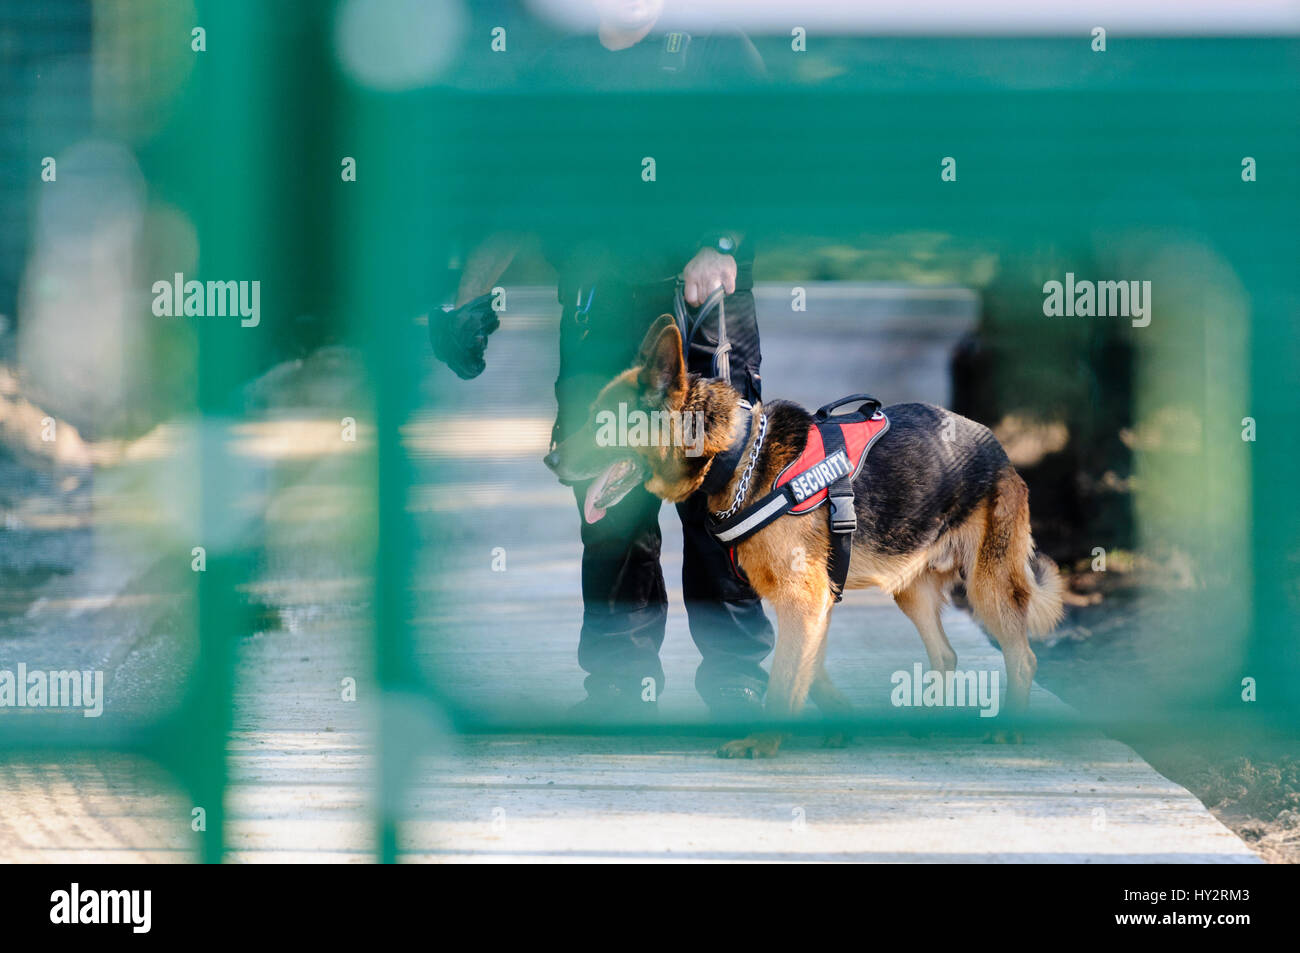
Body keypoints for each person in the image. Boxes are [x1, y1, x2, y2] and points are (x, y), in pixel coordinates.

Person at [430, 0, 773, 719]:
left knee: (718, 497)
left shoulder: (712, 45)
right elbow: (514, 192)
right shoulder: (558, 61)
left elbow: (767, 150)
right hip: (596, 312)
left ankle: (739, 682)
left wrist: (724, 242)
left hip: (702, 311)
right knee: (610, 504)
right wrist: (466, 296)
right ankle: (621, 690)